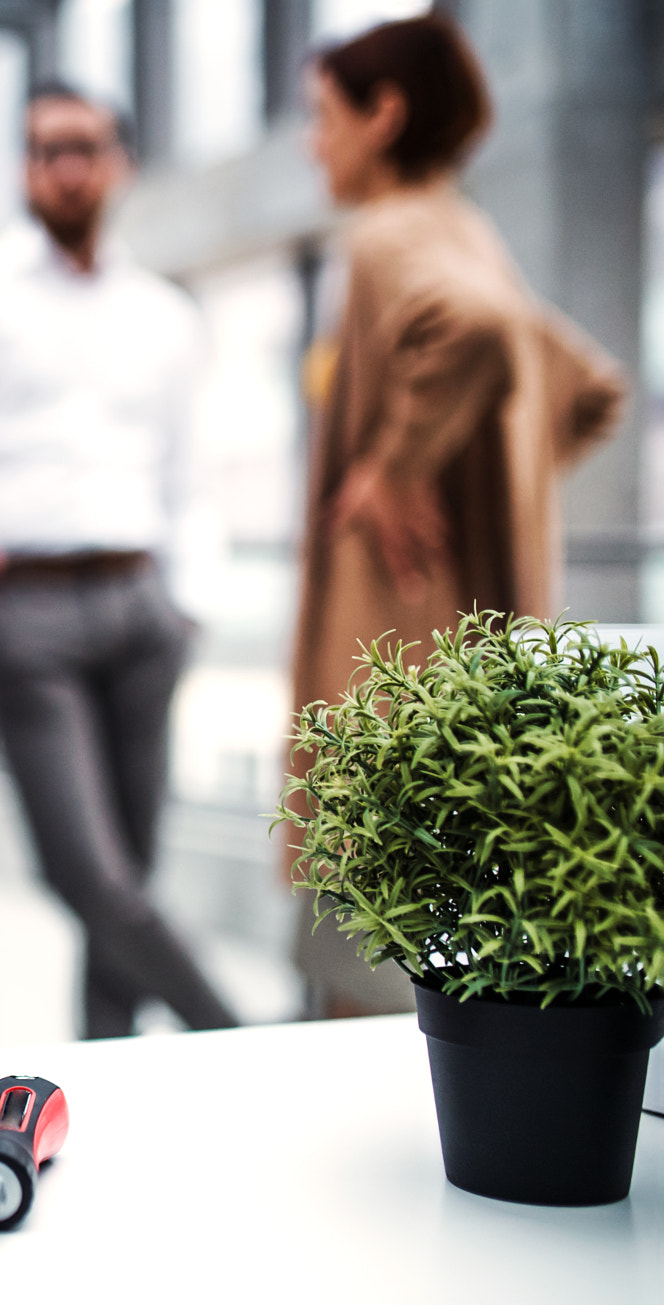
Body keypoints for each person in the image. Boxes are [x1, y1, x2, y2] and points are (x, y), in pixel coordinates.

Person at [290, 15, 625, 1016]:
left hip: (398, 633)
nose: (313, 143)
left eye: (321, 117)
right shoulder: (466, 228)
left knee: (369, 931)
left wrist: (396, 468)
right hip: (476, 639)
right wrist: (494, 482)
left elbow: (473, 332)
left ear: (380, 115)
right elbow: (590, 388)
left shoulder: (391, 234)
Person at [0, 82, 237, 1040]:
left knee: (129, 871)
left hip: (142, 608)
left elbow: (190, 475)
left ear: (119, 163)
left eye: (83, 147)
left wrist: (187, 610)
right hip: (27, 612)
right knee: (83, 869)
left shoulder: (165, 314)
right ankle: (233, 1027)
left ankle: (110, 1066)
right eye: (44, 148)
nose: (63, 166)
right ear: (24, 165)